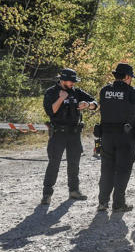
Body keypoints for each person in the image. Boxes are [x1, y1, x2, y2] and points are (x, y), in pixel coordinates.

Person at [41, 68, 98, 206]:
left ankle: (74, 190)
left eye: (74, 81)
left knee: (74, 163)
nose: (73, 83)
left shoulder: (76, 92)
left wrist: (88, 105)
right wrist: (61, 98)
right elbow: (51, 111)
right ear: (62, 80)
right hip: (58, 134)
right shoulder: (51, 92)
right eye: (71, 81)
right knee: (54, 164)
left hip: (74, 134)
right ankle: (47, 194)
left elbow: (95, 103)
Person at [97, 62, 135, 213]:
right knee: (123, 170)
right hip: (125, 137)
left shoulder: (104, 90)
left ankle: (102, 202)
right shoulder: (133, 92)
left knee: (107, 169)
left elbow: (104, 105)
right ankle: (118, 204)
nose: (131, 79)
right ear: (126, 77)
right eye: (131, 77)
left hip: (106, 135)